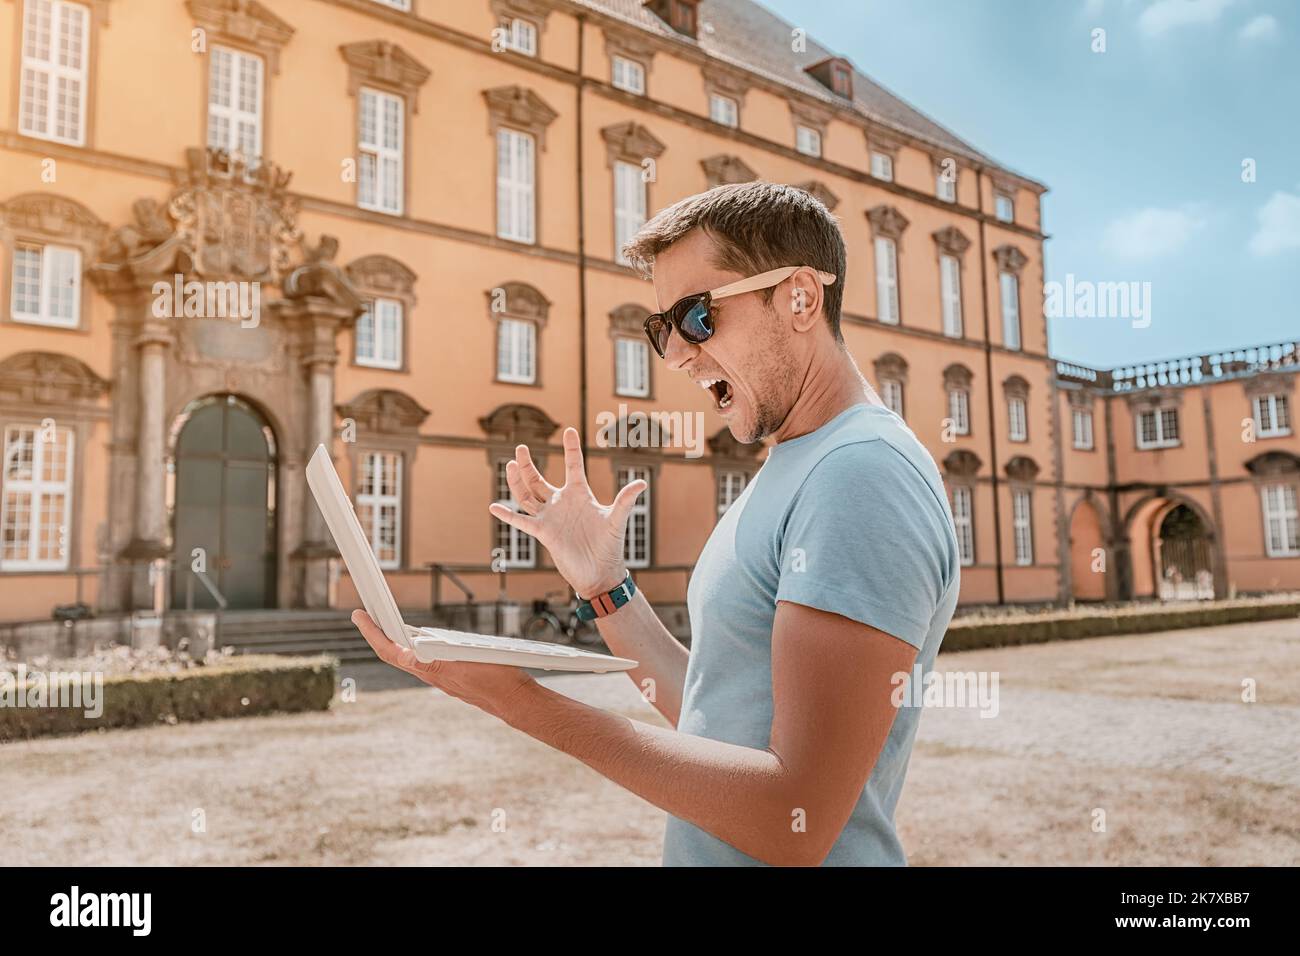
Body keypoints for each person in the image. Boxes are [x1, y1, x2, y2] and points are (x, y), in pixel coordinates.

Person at [352, 182, 960, 866]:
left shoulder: (860, 474)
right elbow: (714, 716)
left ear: (800, 298)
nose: (674, 354)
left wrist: (521, 702)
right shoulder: (798, 463)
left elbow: (795, 819)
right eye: (659, 328)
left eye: (698, 316)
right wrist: (605, 584)